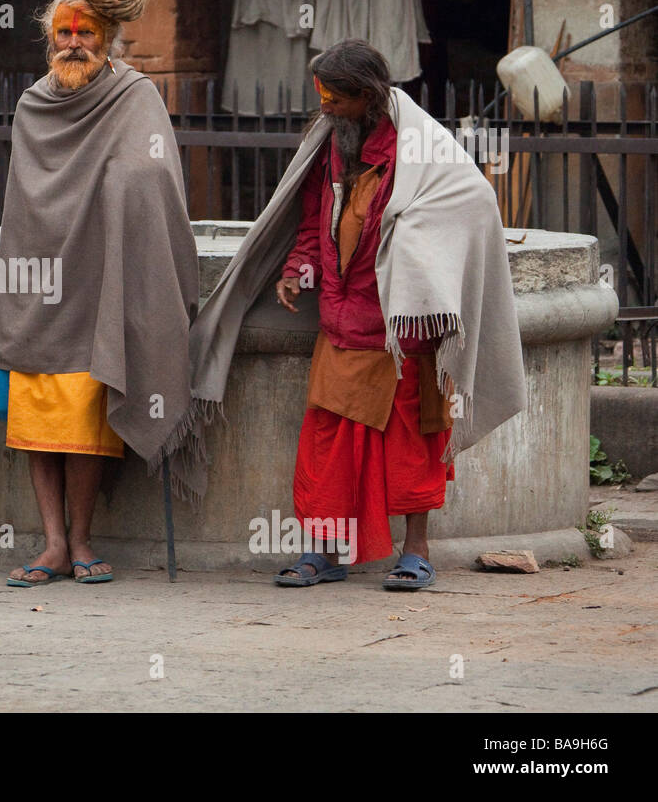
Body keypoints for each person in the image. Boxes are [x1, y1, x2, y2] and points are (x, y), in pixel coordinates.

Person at [171, 38, 526, 590]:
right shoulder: (332, 144)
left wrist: (421, 269)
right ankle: (323, 553)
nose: (325, 107)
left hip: (405, 331)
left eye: (335, 97)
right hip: (341, 323)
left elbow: (471, 203)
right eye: (322, 95)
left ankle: (417, 553)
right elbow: (314, 216)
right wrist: (297, 268)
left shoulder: (421, 147)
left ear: (368, 96)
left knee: (414, 442)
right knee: (328, 442)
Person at [0, 0, 199, 587]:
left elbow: (154, 176)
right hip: (36, 282)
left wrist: (125, 187)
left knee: (83, 418)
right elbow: (24, 197)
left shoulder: (134, 96)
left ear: (107, 39)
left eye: (86, 33)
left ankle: (80, 540)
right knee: (34, 421)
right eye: (64, 33)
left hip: (98, 282)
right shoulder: (32, 105)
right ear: (50, 39)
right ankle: (50, 542)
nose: (74, 42)